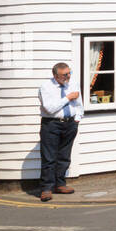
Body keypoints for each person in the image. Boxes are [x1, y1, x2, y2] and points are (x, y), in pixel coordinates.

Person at [37, 62, 84, 201]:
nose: (68, 76)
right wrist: (68, 98)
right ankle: (46, 188)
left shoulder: (73, 83)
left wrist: (78, 118)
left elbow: (79, 103)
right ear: (55, 75)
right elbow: (49, 109)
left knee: (64, 155)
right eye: (65, 74)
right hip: (51, 124)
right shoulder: (46, 87)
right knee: (49, 157)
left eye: (69, 73)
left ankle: (60, 184)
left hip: (69, 123)